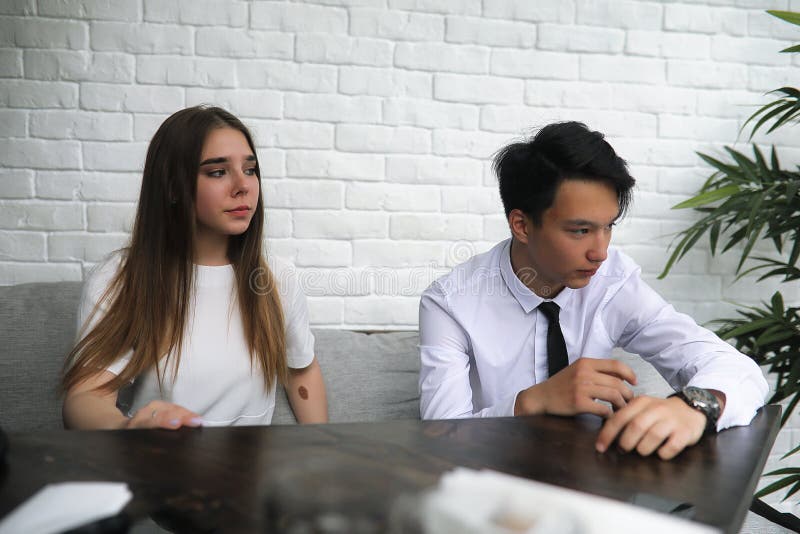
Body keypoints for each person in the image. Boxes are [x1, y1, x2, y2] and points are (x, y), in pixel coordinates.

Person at [418, 122, 767, 460]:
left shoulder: (613, 281)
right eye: (581, 230)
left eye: (608, 227)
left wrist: (693, 407)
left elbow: (738, 370)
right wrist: (530, 402)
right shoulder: (451, 302)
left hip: (597, 481)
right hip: (491, 486)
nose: (600, 252)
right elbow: (438, 438)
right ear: (522, 225)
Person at [62, 106, 328, 429]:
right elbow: (85, 397)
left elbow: (302, 370)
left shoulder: (275, 278)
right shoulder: (120, 278)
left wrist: (321, 457)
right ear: (173, 187)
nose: (243, 185)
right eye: (218, 172)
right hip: (159, 467)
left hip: (250, 473)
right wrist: (128, 430)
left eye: (250, 169)